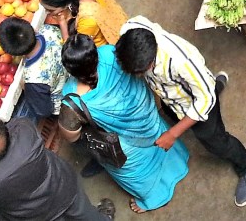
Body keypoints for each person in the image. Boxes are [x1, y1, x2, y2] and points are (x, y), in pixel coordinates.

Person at [115, 17, 246, 208]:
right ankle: (214, 84)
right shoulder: (131, 29)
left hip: (196, 101)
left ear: (151, 62)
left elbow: (205, 100)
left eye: (139, 72)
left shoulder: (181, 62)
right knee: (171, 111)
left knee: (214, 140)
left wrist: (173, 134)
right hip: (172, 96)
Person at [59, 35, 189, 215]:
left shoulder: (73, 100)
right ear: (94, 53)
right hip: (147, 114)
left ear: (71, 71)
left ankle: (152, 198)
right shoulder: (111, 52)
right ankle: (176, 163)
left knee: (135, 170)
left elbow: (71, 136)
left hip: (128, 145)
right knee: (159, 139)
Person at [0, 0, 128, 123]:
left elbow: (76, 50)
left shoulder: (34, 78)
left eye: (51, 10)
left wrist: (63, 23)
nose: (47, 13)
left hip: (92, 55)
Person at [0, 114, 115, 221]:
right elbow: (16, 123)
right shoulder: (26, 134)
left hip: (32, 216)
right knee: (85, 213)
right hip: (62, 188)